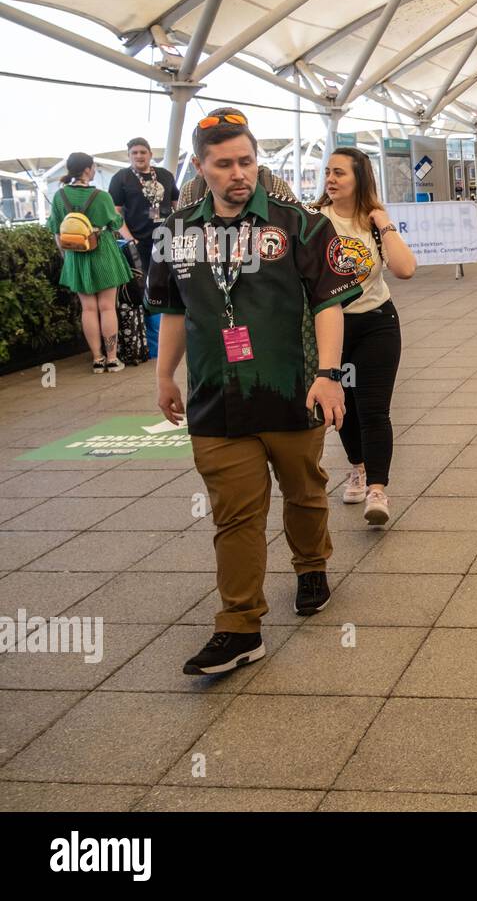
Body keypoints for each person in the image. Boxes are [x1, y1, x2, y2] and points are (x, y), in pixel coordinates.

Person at [147, 110, 362, 675]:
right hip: (216, 399)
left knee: (305, 491)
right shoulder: (174, 232)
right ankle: (239, 627)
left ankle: (311, 564)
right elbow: (172, 309)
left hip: (293, 391)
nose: (238, 173)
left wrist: (330, 374)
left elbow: (327, 303)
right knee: (235, 515)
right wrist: (165, 374)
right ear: (200, 166)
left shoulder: (299, 225)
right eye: (224, 164)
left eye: (246, 161)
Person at [316, 147, 417, 525]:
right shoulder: (315, 221)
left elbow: (405, 269)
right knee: (345, 410)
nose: (331, 179)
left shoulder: (373, 221)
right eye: (328, 172)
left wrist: (384, 223)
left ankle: (378, 489)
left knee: (374, 409)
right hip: (332, 329)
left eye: (340, 173)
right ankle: (357, 467)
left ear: (360, 178)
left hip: (377, 323)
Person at [45, 152, 136, 372]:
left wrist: (68, 256)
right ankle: (112, 358)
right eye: (93, 167)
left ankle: (97, 359)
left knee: (87, 309)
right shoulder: (101, 196)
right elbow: (115, 222)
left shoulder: (60, 197)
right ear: (87, 169)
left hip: (76, 257)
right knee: (107, 308)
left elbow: (57, 231)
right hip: (102, 253)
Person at [110, 137, 179, 358]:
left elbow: (176, 204)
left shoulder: (166, 175)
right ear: (129, 155)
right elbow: (115, 212)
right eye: (134, 153)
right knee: (145, 288)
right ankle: (152, 343)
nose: (139, 156)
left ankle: (174, 335)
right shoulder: (121, 178)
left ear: (150, 154)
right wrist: (129, 239)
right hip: (139, 243)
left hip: (166, 238)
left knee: (171, 284)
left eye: (143, 152)